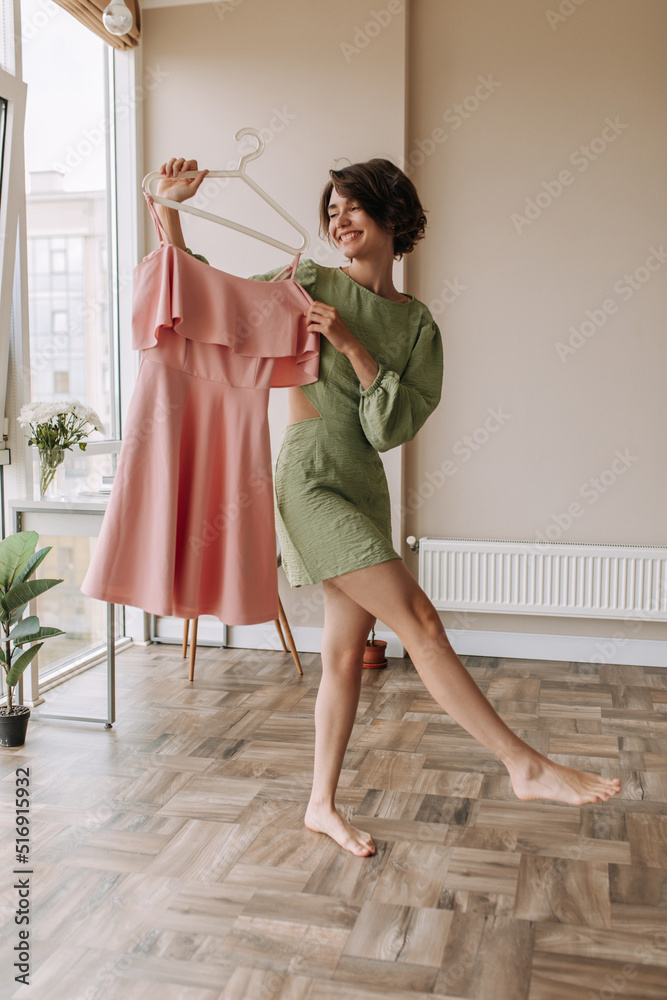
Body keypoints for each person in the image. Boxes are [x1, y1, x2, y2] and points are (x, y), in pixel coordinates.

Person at [153, 157, 621, 857]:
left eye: (352, 207)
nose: (337, 220)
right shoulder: (305, 281)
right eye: (331, 210)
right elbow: (205, 300)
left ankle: (320, 806)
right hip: (309, 478)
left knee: (343, 658)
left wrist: (348, 342)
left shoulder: (417, 326)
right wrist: (167, 208)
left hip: (365, 485)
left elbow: (388, 429)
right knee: (421, 621)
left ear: (392, 216)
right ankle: (524, 765)